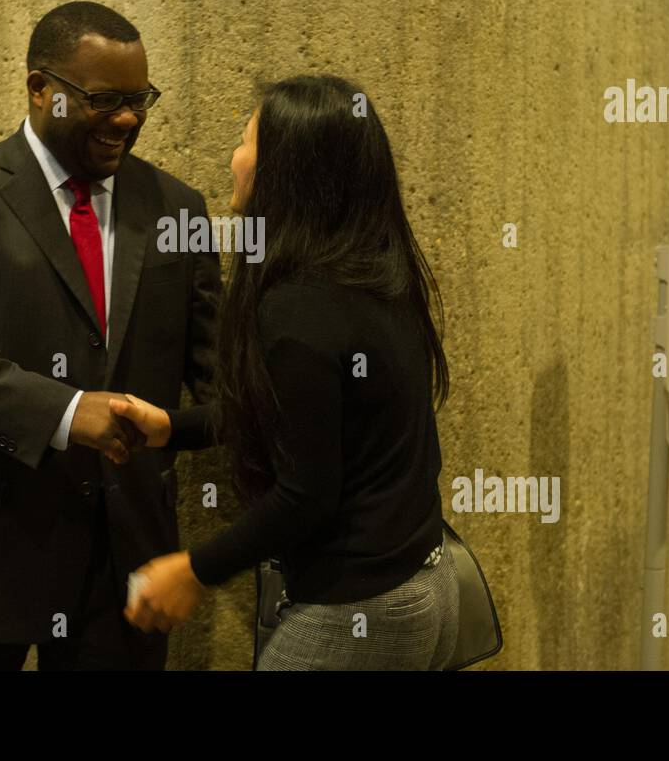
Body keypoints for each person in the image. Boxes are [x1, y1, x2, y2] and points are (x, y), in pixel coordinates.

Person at [0, 1, 219, 670]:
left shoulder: (179, 210)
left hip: (124, 575)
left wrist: (172, 429)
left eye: (139, 98)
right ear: (41, 89)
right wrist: (66, 412)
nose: (128, 118)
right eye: (104, 99)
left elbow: (227, 388)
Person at [111, 75, 460, 670]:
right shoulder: (374, 272)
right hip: (426, 582)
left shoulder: (296, 308)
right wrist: (173, 425)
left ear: (288, 170)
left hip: (357, 613)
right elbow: (307, 416)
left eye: (246, 140)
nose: (233, 158)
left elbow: (307, 495)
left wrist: (193, 571)